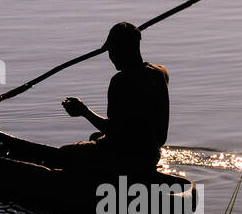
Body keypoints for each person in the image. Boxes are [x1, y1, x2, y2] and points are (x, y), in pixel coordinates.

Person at [59, 22, 168, 177]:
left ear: (123, 50)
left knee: (63, 153)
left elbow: (115, 131)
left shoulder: (121, 81)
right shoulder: (160, 73)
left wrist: (84, 111)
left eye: (112, 51)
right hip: (151, 154)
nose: (110, 57)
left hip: (128, 157)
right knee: (94, 137)